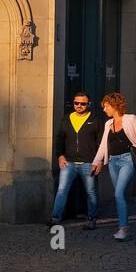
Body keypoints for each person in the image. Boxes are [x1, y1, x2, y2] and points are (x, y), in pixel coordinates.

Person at [92, 92, 136, 241]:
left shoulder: (130, 119)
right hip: (112, 162)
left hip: (127, 161)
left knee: (118, 194)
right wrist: (96, 162)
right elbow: (103, 146)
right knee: (120, 195)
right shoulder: (108, 124)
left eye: (106, 106)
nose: (104, 109)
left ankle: (123, 228)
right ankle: (122, 224)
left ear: (114, 106)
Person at [50, 92, 104, 230]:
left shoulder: (95, 120)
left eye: (83, 103)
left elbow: (101, 143)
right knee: (62, 190)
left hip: (89, 163)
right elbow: (59, 139)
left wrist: (99, 161)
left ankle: (91, 219)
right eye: (76, 103)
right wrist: (60, 155)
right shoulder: (67, 119)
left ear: (88, 104)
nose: (79, 106)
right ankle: (55, 218)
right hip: (69, 162)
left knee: (91, 192)